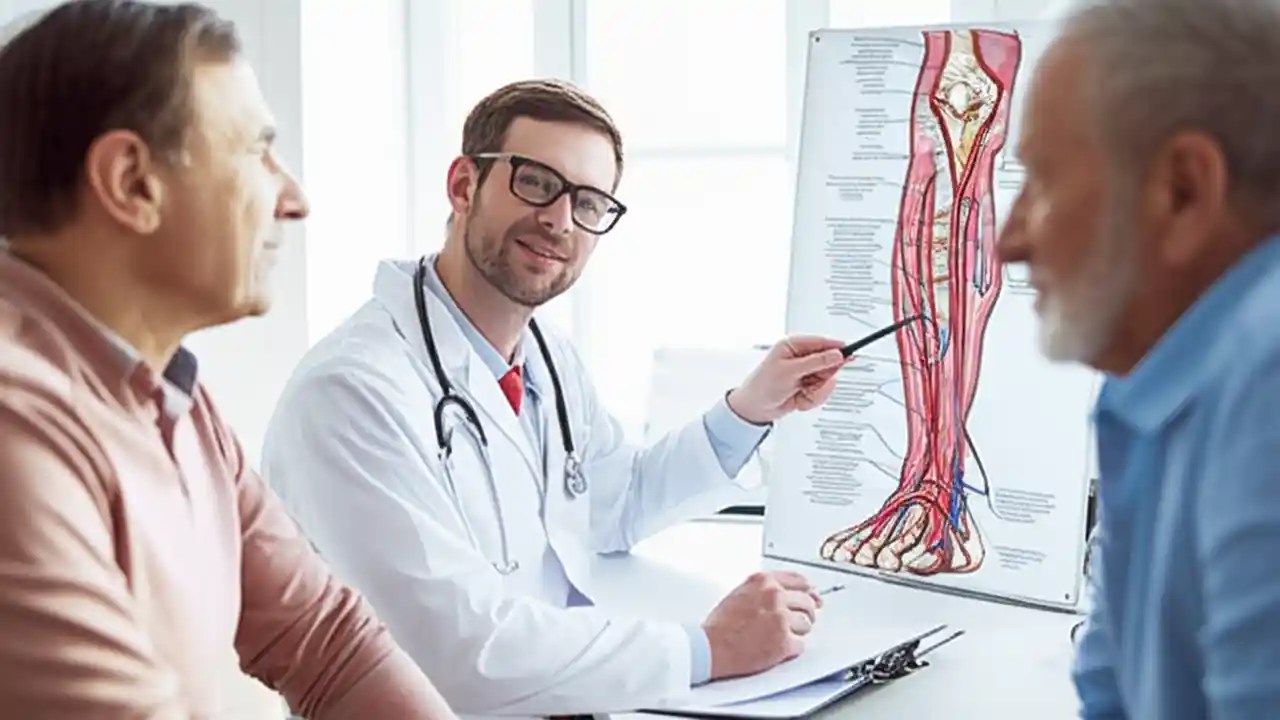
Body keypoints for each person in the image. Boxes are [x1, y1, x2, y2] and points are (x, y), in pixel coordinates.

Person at [260, 78, 851, 717]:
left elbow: (614, 500)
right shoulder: (352, 392)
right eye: (537, 183)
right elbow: (453, 652)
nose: (560, 220)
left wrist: (750, 409)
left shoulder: (544, 355)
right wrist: (707, 649)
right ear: (463, 185)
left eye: (589, 202)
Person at [0, 2, 457, 717]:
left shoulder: (176, 401)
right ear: (131, 182)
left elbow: (327, 641)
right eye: (255, 151)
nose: (294, 198)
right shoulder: (15, 420)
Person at [997, 0, 1280, 717]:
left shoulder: (1268, 376)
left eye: (1043, 180)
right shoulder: (1149, 385)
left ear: (1182, 191)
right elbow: (1113, 694)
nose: (1008, 241)